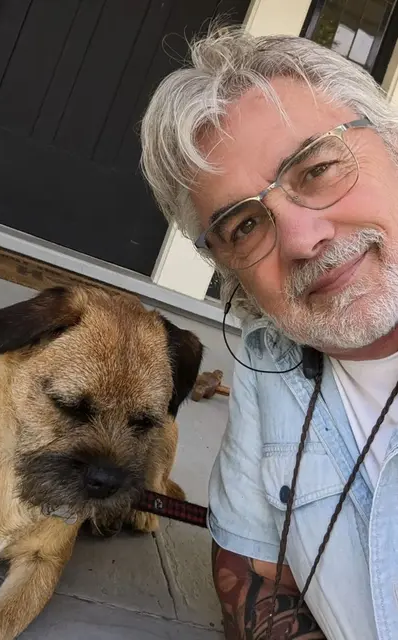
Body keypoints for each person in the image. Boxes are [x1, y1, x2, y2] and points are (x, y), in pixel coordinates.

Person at [140, 24, 398, 640]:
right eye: (245, 226)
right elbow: (251, 576)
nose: (303, 240)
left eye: (317, 169)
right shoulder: (270, 364)